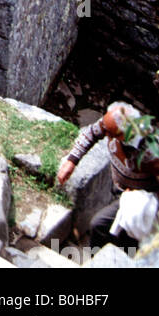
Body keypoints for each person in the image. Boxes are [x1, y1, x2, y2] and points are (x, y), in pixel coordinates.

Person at [56, 102, 159, 249]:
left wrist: (139, 196)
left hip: (139, 199)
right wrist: (71, 161)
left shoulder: (150, 153)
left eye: (113, 134)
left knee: (101, 226)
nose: (107, 136)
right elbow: (92, 132)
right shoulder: (111, 125)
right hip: (118, 188)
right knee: (112, 232)